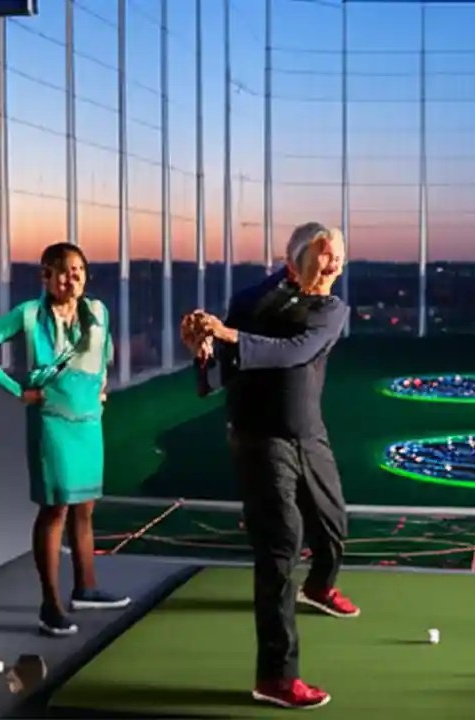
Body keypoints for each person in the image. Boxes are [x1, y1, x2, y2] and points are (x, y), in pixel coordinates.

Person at [182, 222, 354, 711]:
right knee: (281, 545)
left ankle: (320, 586)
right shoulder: (253, 299)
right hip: (260, 439)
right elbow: (225, 362)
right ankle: (276, 676)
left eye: (339, 255)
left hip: (309, 434)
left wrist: (226, 332)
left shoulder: (331, 310)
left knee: (334, 523)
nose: (334, 263)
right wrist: (203, 347)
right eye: (324, 255)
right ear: (295, 258)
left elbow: (291, 352)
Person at [0, 242, 129, 636]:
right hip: (52, 422)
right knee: (55, 508)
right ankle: (50, 604)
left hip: (89, 421)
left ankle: (87, 586)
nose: (69, 278)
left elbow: (104, 352)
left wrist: (100, 390)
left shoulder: (97, 312)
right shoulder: (29, 315)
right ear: (45, 276)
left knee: (86, 507)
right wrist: (17, 389)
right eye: (60, 271)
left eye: (77, 270)